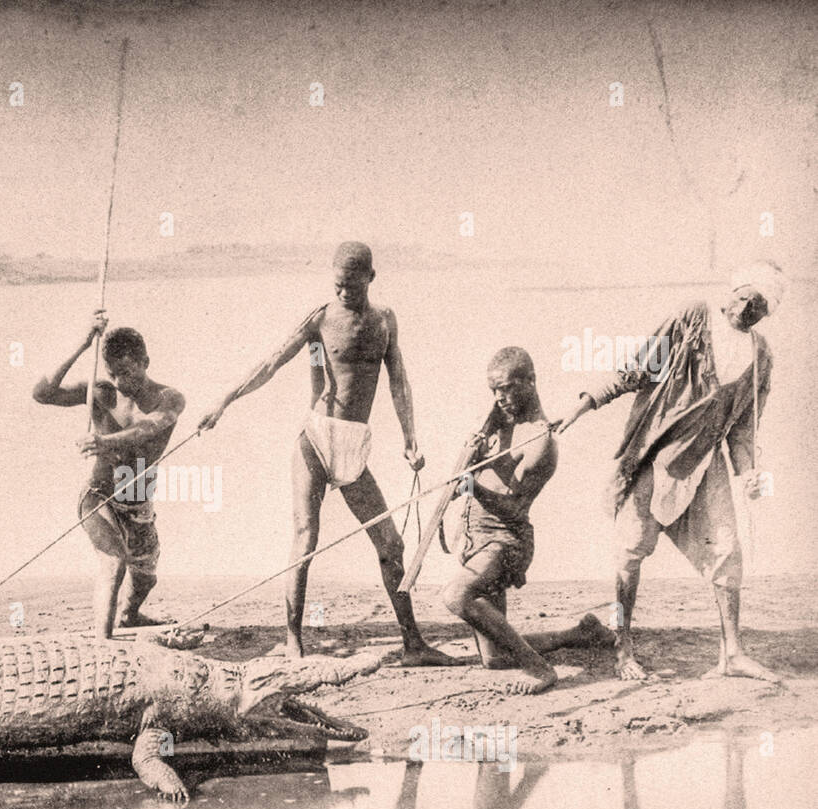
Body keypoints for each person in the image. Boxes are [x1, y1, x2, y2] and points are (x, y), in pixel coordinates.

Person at [199, 241, 454, 662]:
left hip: (354, 447)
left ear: (371, 278)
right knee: (305, 539)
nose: (343, 294)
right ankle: (293, 640)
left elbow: (399, 381)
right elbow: (270, 363)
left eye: (352, 287)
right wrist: (223, 402)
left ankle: (413, 643)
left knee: (391, 545)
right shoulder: (320, 319)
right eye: (337, 286)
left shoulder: (385, 321)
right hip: (316, 439)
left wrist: (411, 438)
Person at [556, 261, 785, 682]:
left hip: (704, 465)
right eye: (743, 295)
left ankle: (732, 654)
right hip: (655, 456)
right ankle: (623, 647)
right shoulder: (693, 318)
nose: (746, 307)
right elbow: (637, 368)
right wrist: (585, 402)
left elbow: (744, 430)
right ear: (731, 290)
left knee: (727, 553)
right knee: (630, 553)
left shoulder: (761, 356)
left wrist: (750, 473)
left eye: (759, 305)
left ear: (767, 312)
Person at [441, 348, 609, 694]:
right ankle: (582, 632)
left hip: (507, 543)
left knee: (457, 596)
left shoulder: (540, 441)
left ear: (530, 382)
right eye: (493, 391)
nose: (499, 398)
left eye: (505, 388)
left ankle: (540, 668)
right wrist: (467, 455)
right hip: (476, 540)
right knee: (496, 659)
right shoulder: (499, 424)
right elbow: (460, 479)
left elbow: (515, 509)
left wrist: (474, 488)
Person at [33, 312, 185, 638]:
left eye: (127, 373)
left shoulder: (169, 397)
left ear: (145, 362)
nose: (120, 382)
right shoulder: (102, 393)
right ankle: (103, 643)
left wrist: (104, 441)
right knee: (112, 562)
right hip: (98, 494)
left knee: (145, 574)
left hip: (137, 500)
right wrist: (83, 343)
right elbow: (42, 393)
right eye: (113, 374)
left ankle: (129, 616)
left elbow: (147, 429)